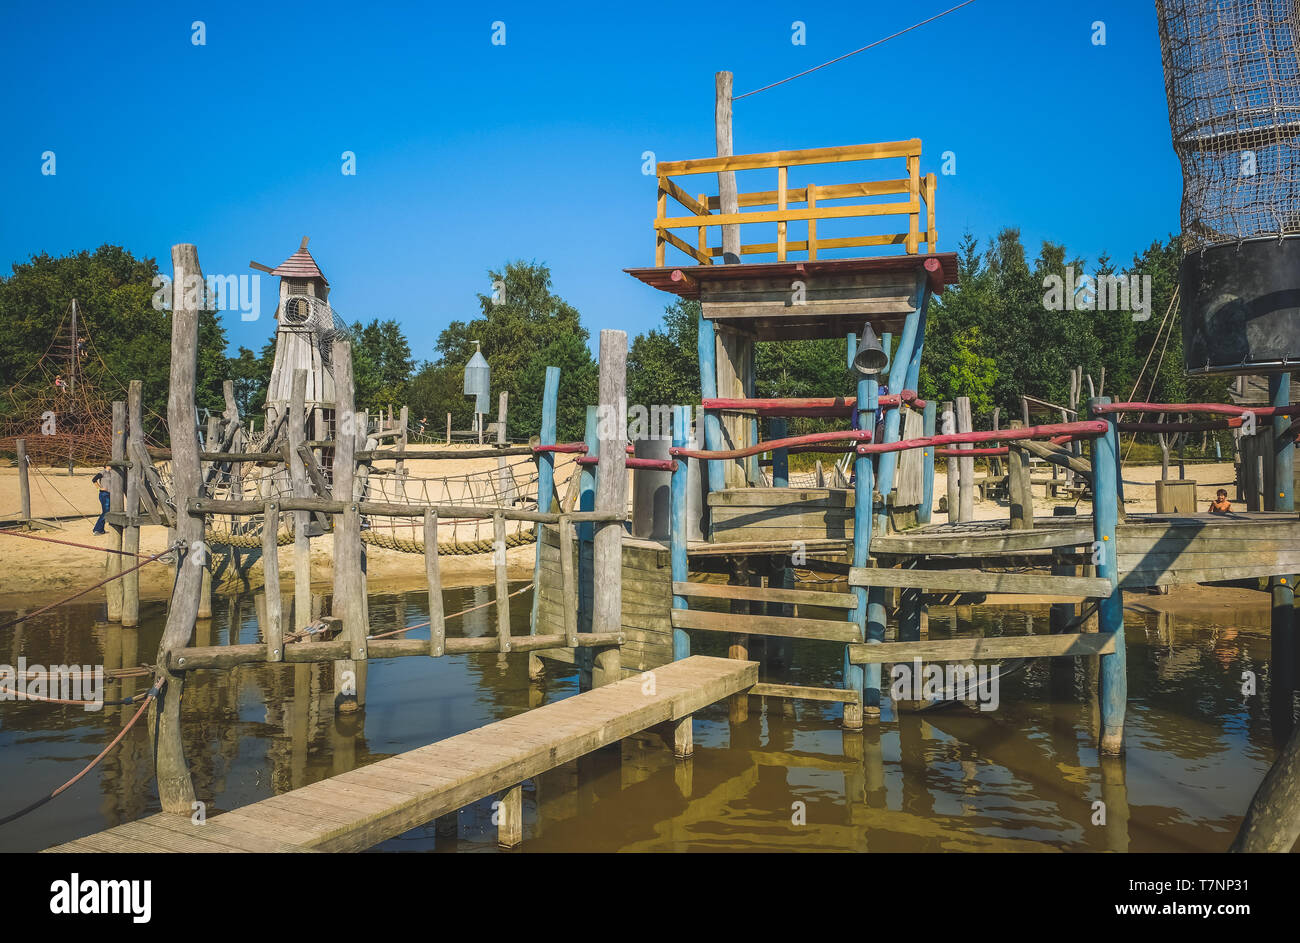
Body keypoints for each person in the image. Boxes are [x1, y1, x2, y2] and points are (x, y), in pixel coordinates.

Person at [91, 465, 111, 534]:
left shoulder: (111, 473)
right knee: (106, 512)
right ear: (107, 465)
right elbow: (94, 480)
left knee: (107, 511)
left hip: (110, 494)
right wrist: (100, 488)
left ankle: (101, 529)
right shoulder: (103, 472)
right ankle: (97, 529)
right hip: (104, 494)